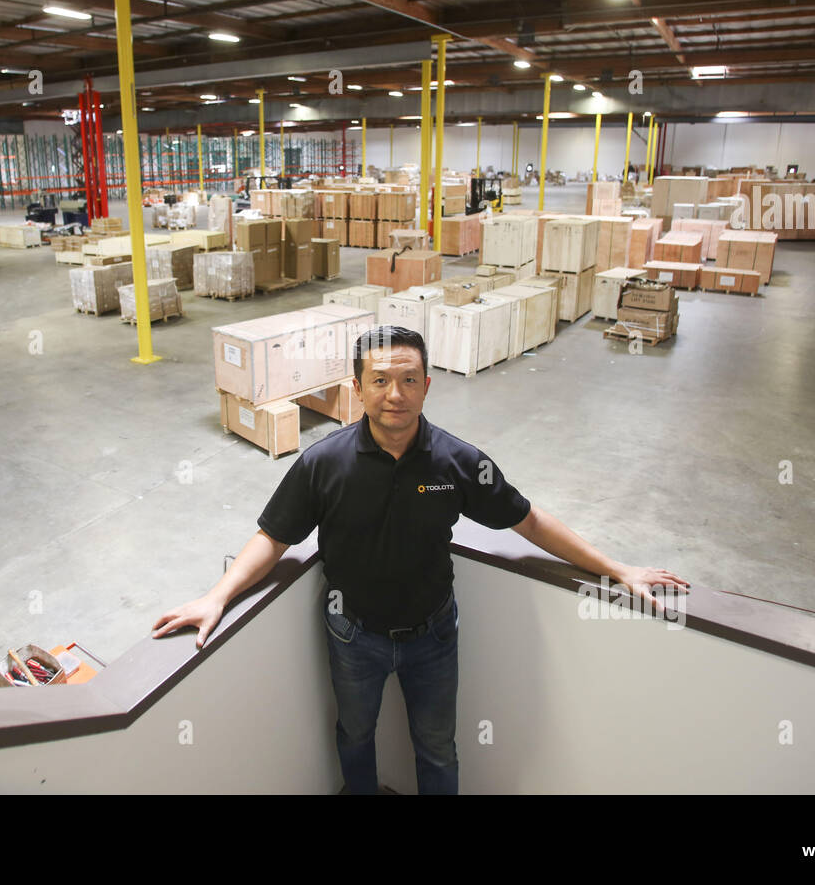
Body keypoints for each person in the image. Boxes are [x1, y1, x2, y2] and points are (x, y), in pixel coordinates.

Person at [153, 326, 689, 794]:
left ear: (427, 386)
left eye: (409, 380)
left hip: (433, 637)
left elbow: (527, 520)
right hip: (351, 637)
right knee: (355, 736)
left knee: (437, 748)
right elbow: (273, 537)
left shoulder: (459, 463)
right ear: (357, 388)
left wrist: (614, 568)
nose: (395, 394)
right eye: (381, 380)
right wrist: (217, 596)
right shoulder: (323, 464)